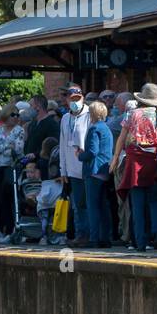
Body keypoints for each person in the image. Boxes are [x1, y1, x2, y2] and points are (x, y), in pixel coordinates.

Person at [111, 83, 157, 252]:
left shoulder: (132, 114)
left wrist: (116, 157)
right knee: (155, 200)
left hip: (135, 161)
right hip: (154, 160)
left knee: (137, 202)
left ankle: (140, 241)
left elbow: (121, 138)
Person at [0, 106, 25, 243]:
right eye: (13, 114)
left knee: (10, 198)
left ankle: (10, 229)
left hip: (12, 167)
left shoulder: (20, 130)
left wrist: (1, 148)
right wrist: (6, 146)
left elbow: (19, 148)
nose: (16, 117)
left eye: (17, 115)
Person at [58, 85, 90, 247]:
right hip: (72, 169)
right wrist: (62, 169)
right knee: (78, 204)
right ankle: (80, 234)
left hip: (87, 166)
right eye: (72, 99)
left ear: (83, 98)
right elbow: (63, 145)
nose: (75, 102)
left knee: (89, 203)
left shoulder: (90, 114)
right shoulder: (65, 118)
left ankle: (91, 234)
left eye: (78, 99)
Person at [82, 101, 115, 248]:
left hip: (94, 170)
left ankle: (94, 238)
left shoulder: (94, 128)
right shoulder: (106, 128)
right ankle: (105, 237)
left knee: (93, 206)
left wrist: (80, 155)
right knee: (103, 206)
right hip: (104, 170)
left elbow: (92, 151)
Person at [36, 154, 65, 246]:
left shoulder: (41, 162)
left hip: (44, 200)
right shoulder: (60, 164)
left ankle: (43, 237)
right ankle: (61, 237)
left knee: (44, 219)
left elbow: (37, 175)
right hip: (56, 199)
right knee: (58, 219)